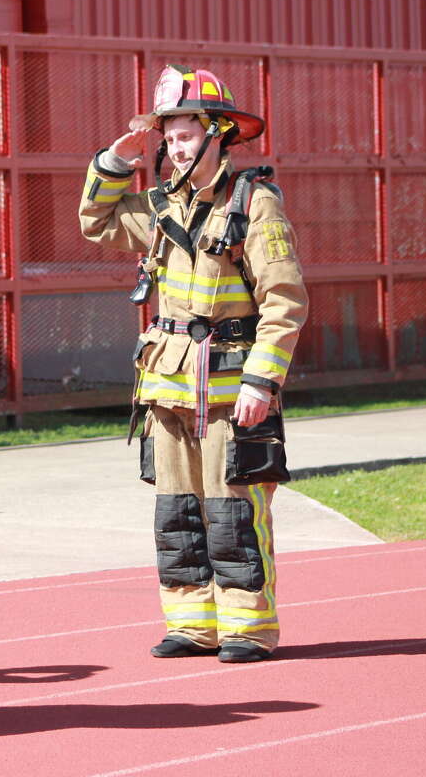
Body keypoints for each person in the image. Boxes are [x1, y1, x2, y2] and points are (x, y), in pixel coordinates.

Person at [79, 65, 308, 663]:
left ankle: (247, 629)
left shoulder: (254, 204)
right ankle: (192, 623)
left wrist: (264, 379)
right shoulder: (158, 206)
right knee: (177, 513)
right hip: (167, 386)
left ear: (218, 134)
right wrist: (112, 160)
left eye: (185, 135)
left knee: (233, 511)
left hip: (234, 390)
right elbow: (95, 222)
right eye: (169, 137)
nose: (175, 147)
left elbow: (284, 301)